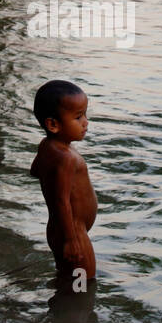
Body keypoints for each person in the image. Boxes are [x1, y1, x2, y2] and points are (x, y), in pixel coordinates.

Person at [29, 80, 97, 282]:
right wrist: (71, 240)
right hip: (72, 233)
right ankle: (68, 312)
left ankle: (59, 305)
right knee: (83, 282)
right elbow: (61, 201)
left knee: (68, 277)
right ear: (53, 124)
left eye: (85, 114)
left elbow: (35, 171)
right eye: (78, 117)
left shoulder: (48, 145)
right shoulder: (66, 158)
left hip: (59, 229)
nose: (85, 122)